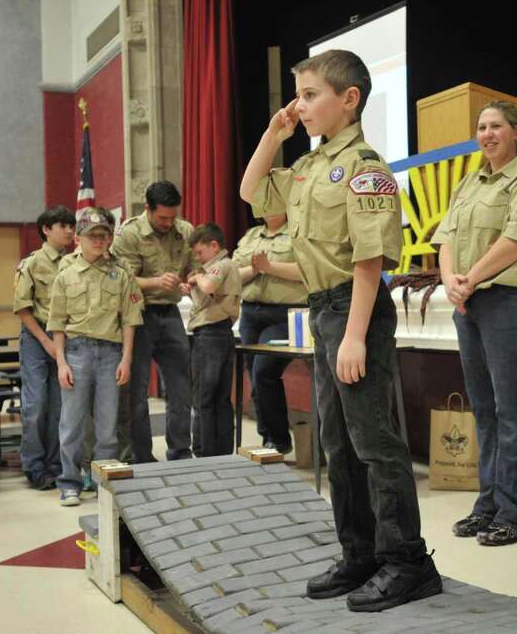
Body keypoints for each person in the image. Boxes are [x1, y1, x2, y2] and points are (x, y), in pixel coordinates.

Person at [240, 49, 441, 612]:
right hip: (323, 310)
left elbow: (369, 260)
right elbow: (251, 192)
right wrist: (273, 133)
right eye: (297, 96)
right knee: (337, 440)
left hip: (355, 311)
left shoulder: (366, 168)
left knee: (375, 440)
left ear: (348, 99)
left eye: (309, 96)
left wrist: (353, 336)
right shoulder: (308, 166)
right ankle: (360, 554)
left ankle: (407, 561)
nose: (299, 106)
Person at [431, 100, 517, 546]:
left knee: (513, 411)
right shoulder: (471, 182)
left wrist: (468, 279)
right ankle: (488, 505)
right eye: (481, 127)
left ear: (515, 130)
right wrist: (451, 279)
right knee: (485, 412)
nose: (487, 134)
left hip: (516, 301)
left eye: (496, 126)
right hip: (472, 302)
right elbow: (447, 236)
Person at [48, 207, 141, 506]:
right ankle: (70, 483)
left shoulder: (121, 274)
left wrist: (126, 359)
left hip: (110, 354)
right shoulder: (66, 275)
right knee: (72, 423)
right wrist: (61, 363)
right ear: (78, 239)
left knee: (107, 424)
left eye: (104, 236)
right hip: (76, 353)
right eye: (93, 236)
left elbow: (129, 320)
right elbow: (57, 325)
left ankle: (104, 481)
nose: (99, 241)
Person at [111, 181, 196, 462]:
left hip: (171, 315)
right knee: (136, 392)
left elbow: (194, 270)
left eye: (172, 217)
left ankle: (181, 451)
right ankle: (141, 456)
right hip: (138, 316)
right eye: (162, 218)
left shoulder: (185, 231)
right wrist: (156, 282)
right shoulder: (129, 234)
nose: (168, 223)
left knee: (181, 387)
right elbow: (121, 280)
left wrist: (189, 283)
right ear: (147, 209)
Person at [232, 213, 307, 453]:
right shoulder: (251, 235)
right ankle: (269, 439)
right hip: (251, 313)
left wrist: (269, 267)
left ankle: (280, 440)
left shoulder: (298, 229)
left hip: (285, 314)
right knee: (255, 380)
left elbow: (307, 270)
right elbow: (231, 274)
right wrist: (255, 270)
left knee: (264, 372)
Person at [13, 205, 76, 490]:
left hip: (66, 339)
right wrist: (47, 342)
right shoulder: (32, 263)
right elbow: (23, 310)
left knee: (59, 406)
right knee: (36, 404)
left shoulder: (76, 262)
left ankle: (54, 464)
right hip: (38, 339)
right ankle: (34, 465)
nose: (69, 231)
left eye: (71, 226)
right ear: (46, 230)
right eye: (62, 226)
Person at [185, 223, 242, 457]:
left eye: (199, 252)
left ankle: (205, 453)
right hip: (221, 333)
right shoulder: (222, 267)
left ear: (214, 246)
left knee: (204, 398)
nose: (197, 258)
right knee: (219, 398)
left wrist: (197, 276)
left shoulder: (221, 265)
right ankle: (222, 452)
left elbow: (208, 285)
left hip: (209, 336)